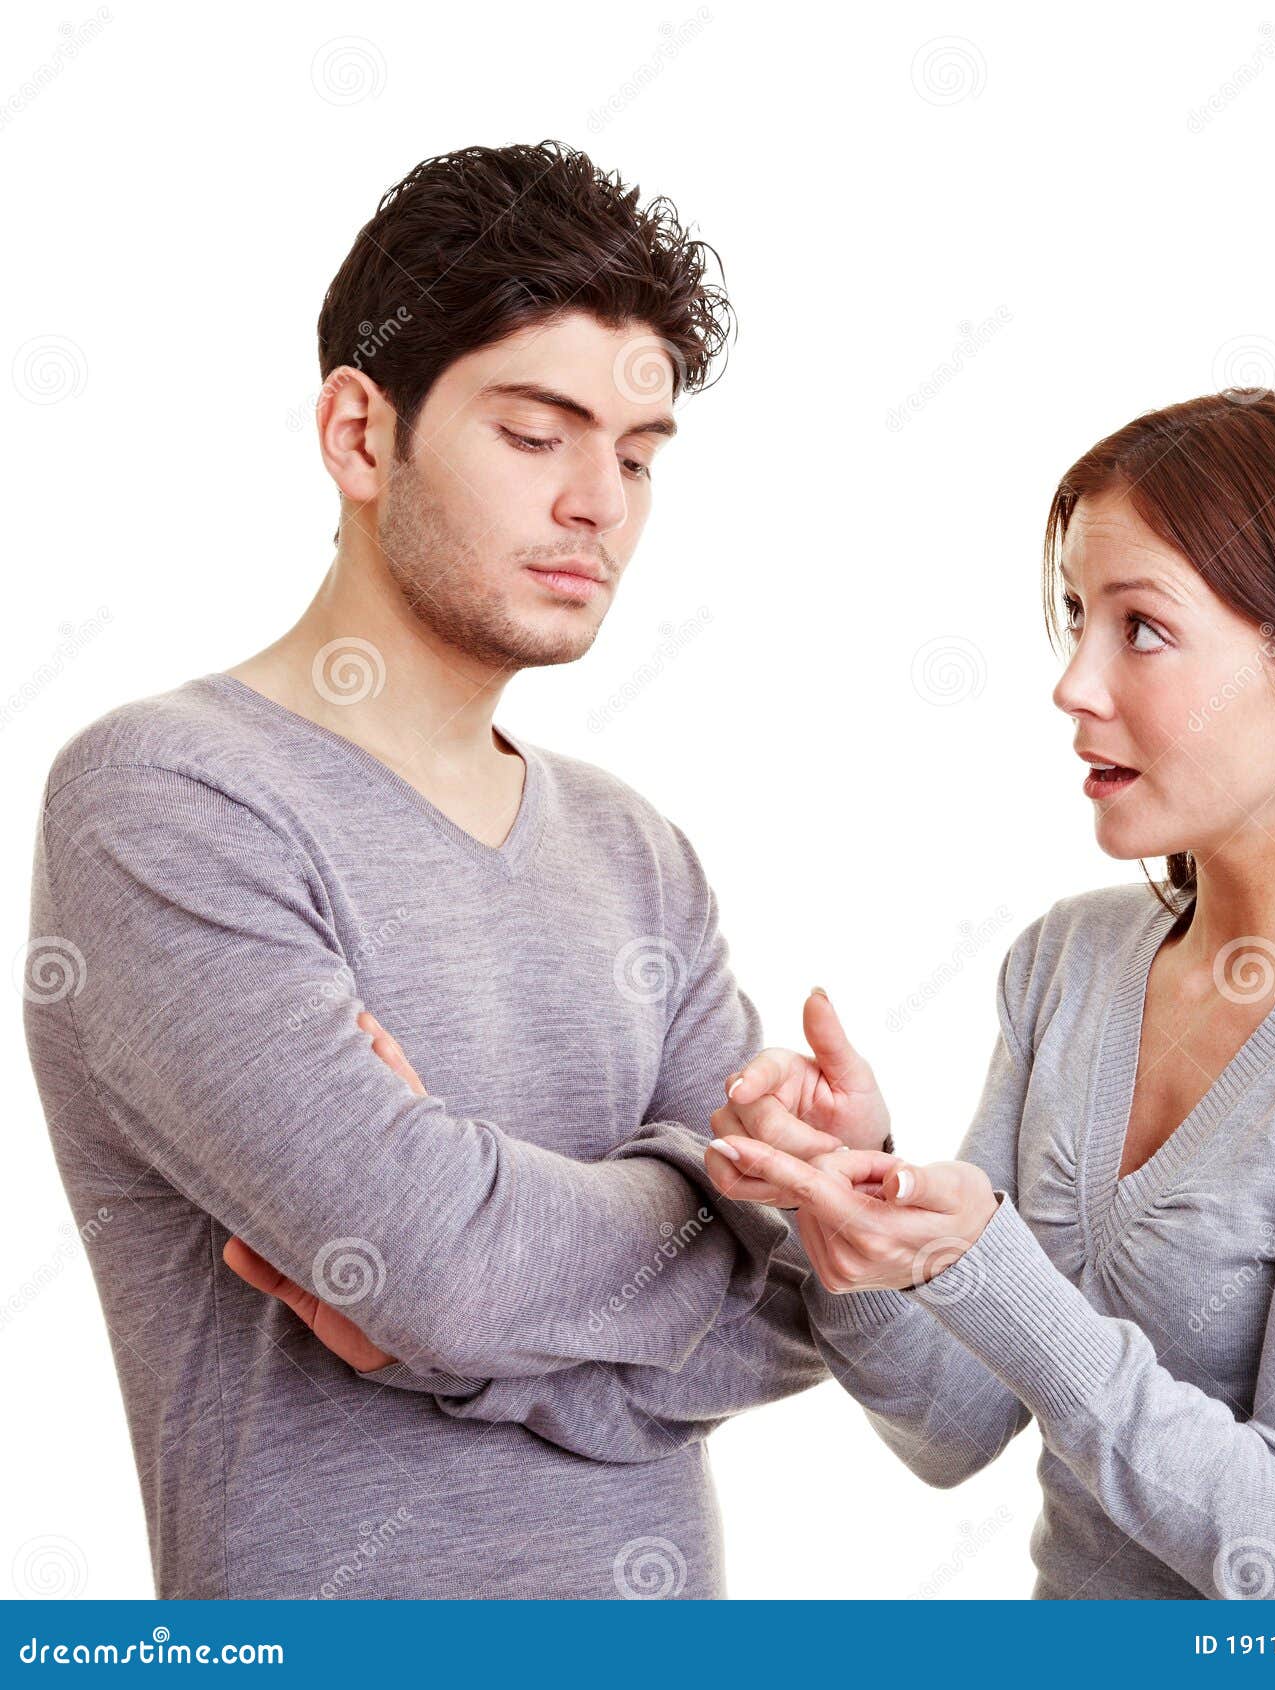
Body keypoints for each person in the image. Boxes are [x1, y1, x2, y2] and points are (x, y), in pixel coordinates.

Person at [22, 141, 882, 1601]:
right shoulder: (168, 798)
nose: (599, 503)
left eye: (637, 454)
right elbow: (422, 1258)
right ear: (361, 435)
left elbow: (806, 1307)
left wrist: (486, 1320)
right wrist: (697, 1202)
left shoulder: (635, 850)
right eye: (536, 433)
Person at [703, 389, 1275, 1600]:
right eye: (1076, 616)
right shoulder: (1071, 963)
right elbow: (950, 1427)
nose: (1073, 683)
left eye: (1142, 628)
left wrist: (986, 1261)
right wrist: (853, 1199)